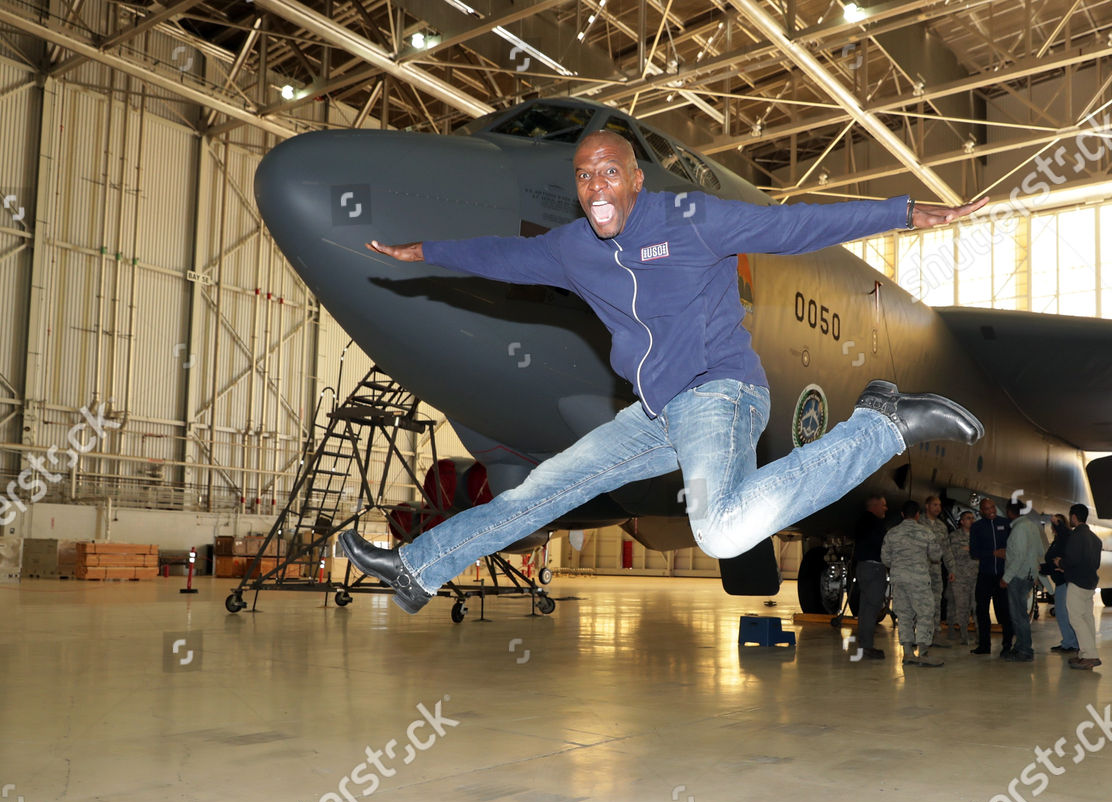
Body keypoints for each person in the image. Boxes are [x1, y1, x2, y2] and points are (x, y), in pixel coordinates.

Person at [341, 130, 988, 614]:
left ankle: (880, 425)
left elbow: (791, 225)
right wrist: (424, 250)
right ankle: (415, 569)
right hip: (654, 415)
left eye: (611, 172)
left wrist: (901, 212)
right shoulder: (571, 248)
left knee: (722, 529)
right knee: (540, 493)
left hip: (720, 392)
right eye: (586, 175)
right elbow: (502, 255)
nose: (598, 186)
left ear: (635, 180)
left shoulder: (690, 219)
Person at [882, 500, 944, 667]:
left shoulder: (892, 533)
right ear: (917, 514)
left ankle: (908, 653)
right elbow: (936, 556)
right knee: (925, 614)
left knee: (904, 615)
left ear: (902, 514)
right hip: (919, 580)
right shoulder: (926, 532)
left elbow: (885, 559)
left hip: (899, 580)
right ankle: (923, 653)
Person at [999, 501, 1043, 661]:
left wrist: (1006, 578)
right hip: (1029, 575)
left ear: (1010, 512)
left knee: (1018, 616)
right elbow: (1039, 551)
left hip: (1018, 577)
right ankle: (1020, 647)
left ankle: (1025, 650)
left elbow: (1018, 557)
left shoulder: (1018, 529)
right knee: (1020, 614)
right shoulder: (1032, 527)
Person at [968, 497, 1012, 655]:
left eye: (992, 507)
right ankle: (984, 645)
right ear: (981, 511)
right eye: (987, 509)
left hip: (1002, 575)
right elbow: (973, 552)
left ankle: (1007, 645)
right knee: (982, 611)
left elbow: (1013, 548)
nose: (991, 511)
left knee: (1004, 611)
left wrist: (1007, 556)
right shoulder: (977, 527)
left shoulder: (1006, 524)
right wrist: (992, 553)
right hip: (985, 575)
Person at [1063, 503, 1103, 670]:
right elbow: (1096, 563)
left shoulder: (1076, 536)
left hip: (1077, 583)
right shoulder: (1095, 539)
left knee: (1077, 619)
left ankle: (1090, 656)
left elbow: (1071, 559)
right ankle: (1085, 653)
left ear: (1074, 517)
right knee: (1087, 618)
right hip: (1090, 584)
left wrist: (1061, 563)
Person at [854, 495, 892, 659]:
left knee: (865, 608)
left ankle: (863, 644)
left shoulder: (863, 521)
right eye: (883, 505)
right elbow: (882, 544)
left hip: (864, 567)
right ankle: (867, 647)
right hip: (874, 568)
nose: (886, 508)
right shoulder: (874, 524)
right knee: (871, 608)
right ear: (874, 505)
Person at [918, 495, 954, 646]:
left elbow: (946, 550)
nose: (938, 508)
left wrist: (952, 568)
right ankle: (919, 635)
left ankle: (935, 635)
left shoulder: (941, 526)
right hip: (920, 569)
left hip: (936, 570)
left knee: (936, 601)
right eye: (934, 505)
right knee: (920, 602)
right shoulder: (918, 523)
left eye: (939, 505)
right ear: (927, 506)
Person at [1045, 513, 1079, 654]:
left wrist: (1057, 523)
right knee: (1061, 613)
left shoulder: (1065, 539)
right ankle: (1068, 642)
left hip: (1065, 582)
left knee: (1064, 613)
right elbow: (1052, 561)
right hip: (1059, 582)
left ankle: (1071, 643)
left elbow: (1067, 534)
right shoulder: (1057, 541)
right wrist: (1043, 568)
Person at [948, 510, 980, 645]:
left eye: (972, 518)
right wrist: (970, 549)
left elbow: (981, 552)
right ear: (961, 521)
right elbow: (954, 552)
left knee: (977, 607)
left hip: (976, 576)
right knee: (962, 607)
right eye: (968, 518)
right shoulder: (954, 536)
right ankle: (964, 636)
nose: (971, 520)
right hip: (960, 577)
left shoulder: (978, 536)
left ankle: (980, 636)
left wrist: (968, 549)